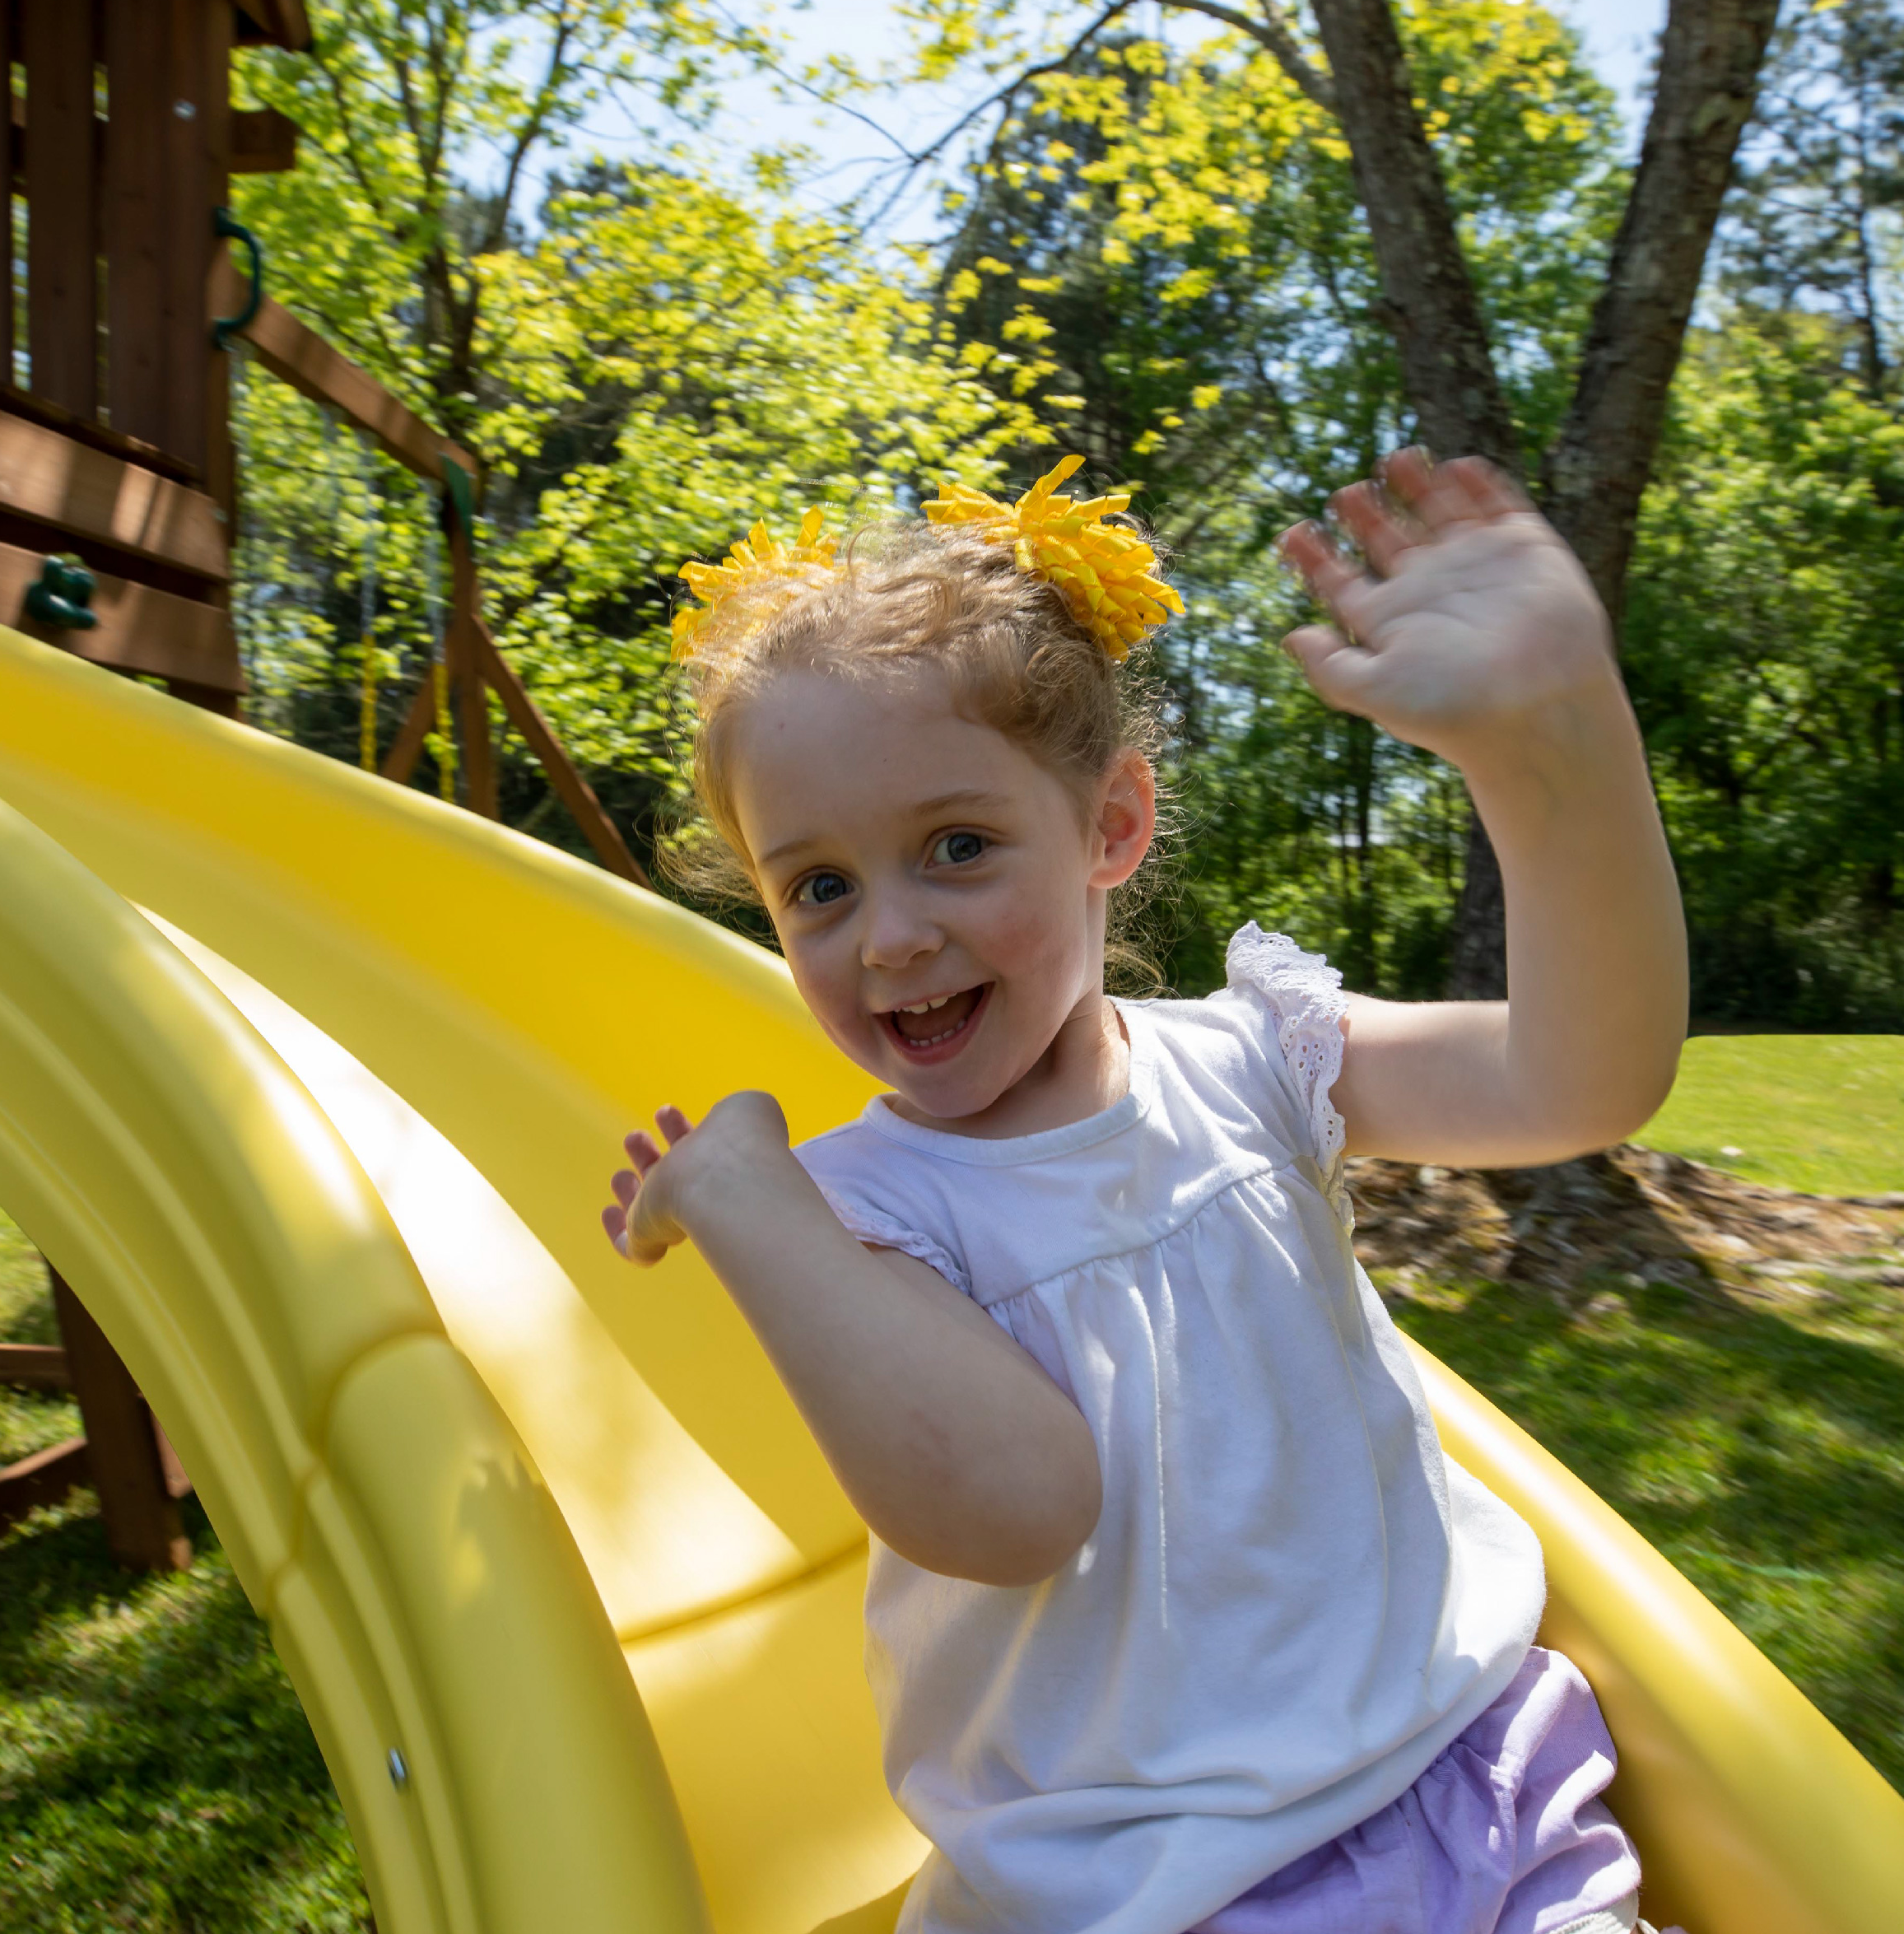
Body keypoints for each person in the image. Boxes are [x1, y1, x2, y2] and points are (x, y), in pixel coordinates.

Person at [602, 452, 1690, 1934]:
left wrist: (1549, 755)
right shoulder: (859, 1213)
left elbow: (1580, 1081)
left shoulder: (1256, 1059)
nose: (892, 938)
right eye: (820, 888)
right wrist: (742, 1197)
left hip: (1468, 1774)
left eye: (956, 848)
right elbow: (1013, 1507)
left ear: (1111, 827)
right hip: (1149, 1886)